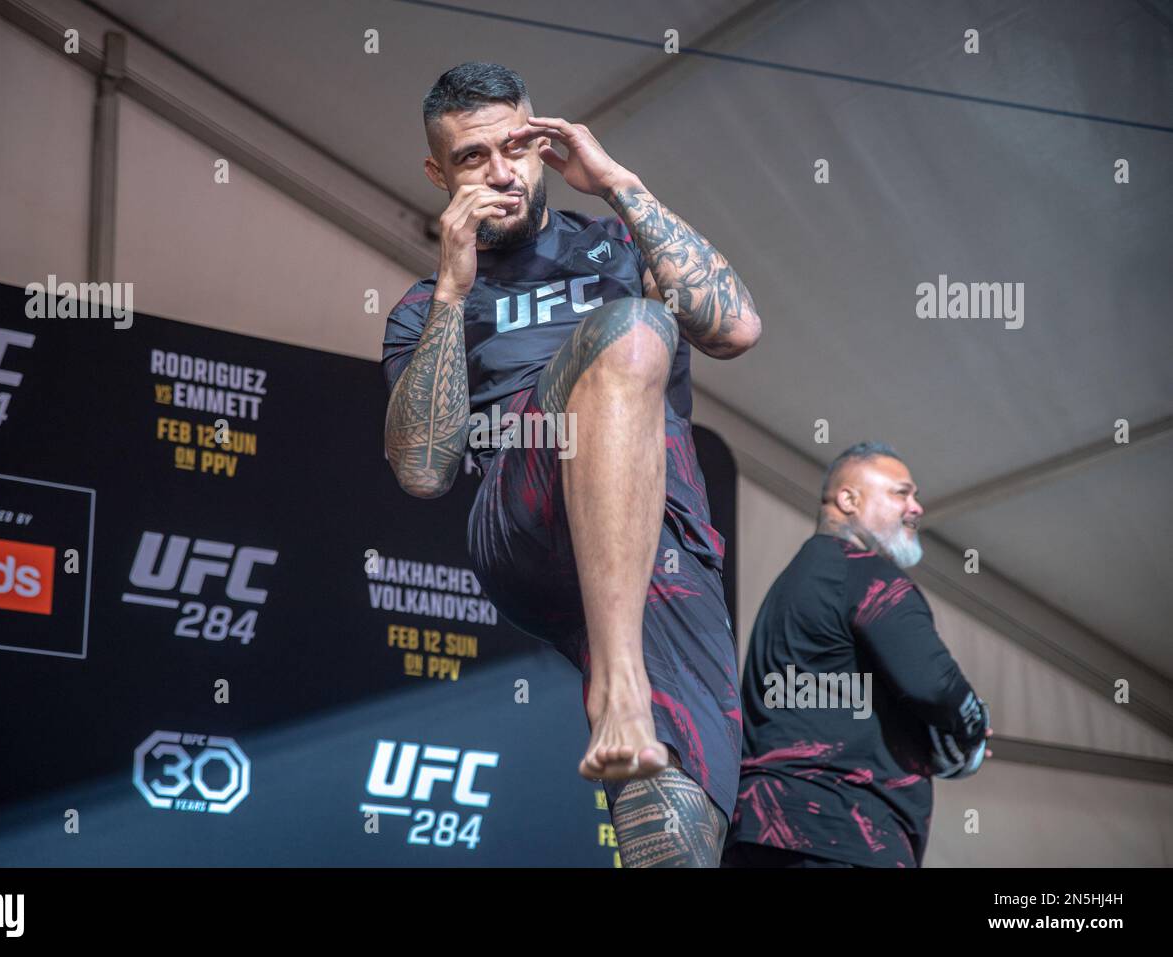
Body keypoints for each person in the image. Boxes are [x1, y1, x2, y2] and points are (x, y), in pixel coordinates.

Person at [381, 62, 761, 866]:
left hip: (657, 535)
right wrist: (453, 288)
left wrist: (618, 181)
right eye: (471, 158)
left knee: (684, 813)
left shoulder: (617, 243)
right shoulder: (426, 305)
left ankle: (637, 708)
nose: (500, 172)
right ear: (437, 174)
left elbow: (734, 329)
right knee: (628, 329)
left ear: (544, 143)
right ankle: (618, 687)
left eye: (514, 147)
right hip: (526, 517)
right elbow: (422, 469)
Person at [725, 442, 992, 868]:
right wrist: (972, 735)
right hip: (843, 831)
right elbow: (937, 686)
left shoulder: (791, 585)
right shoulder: (867, 576)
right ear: (848, 499)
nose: (917, 508)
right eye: (901, 493)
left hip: (757, 835)